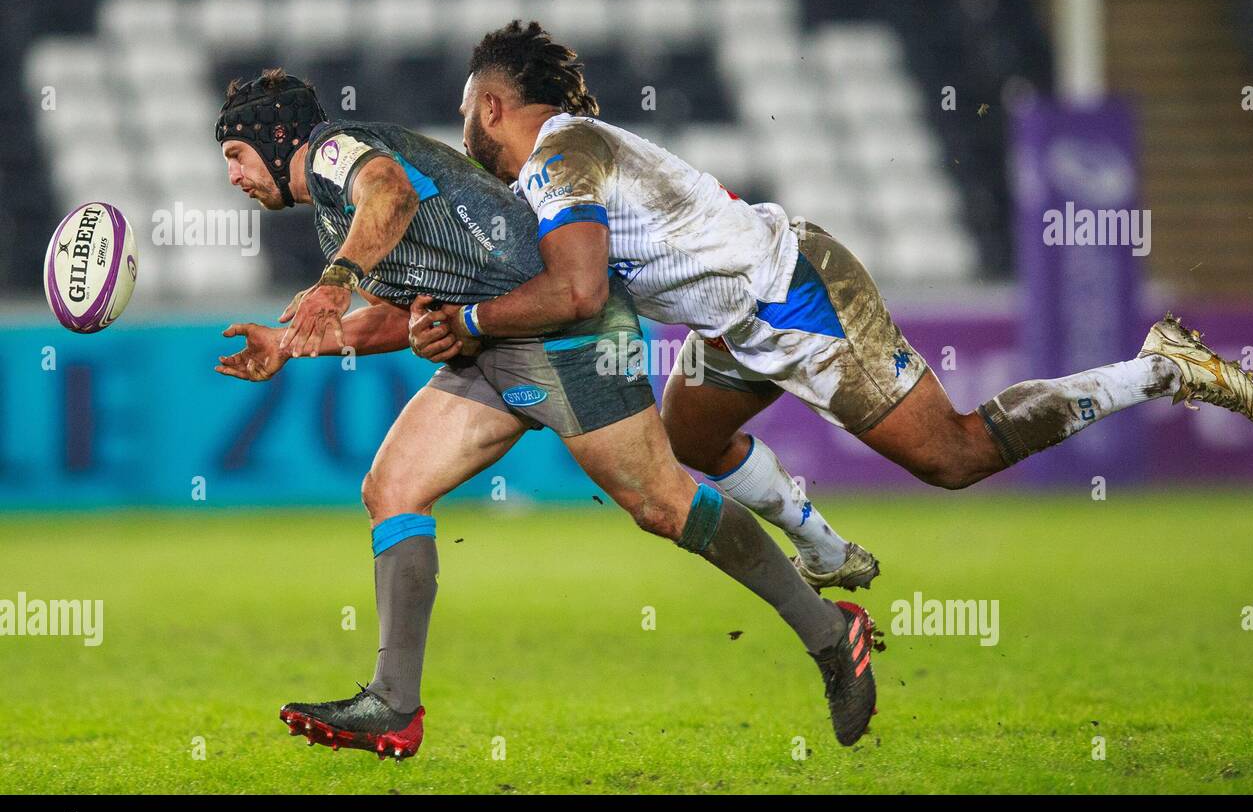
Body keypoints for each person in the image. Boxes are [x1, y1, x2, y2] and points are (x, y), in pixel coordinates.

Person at [409, 21, 1253, 597]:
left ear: (492, 105)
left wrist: (475, 328)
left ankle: (1156, 366)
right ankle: (826, 552)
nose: (463, 137)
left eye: (464, 117)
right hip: (733, 322)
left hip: (796, 292)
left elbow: (579, 293)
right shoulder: (551, 172)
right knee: (691, 440)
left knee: (955, 457)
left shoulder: (559, 157)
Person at [213, 69, 882, 757]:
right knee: (393, 489)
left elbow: (389, 191)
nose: (232, 175)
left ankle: (831, 633)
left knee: (662, 505)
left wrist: (334, 284)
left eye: (235, 154)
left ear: (276, 135)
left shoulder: (333, 151)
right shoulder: (337, 217)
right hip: (491, 340)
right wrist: (291, 344)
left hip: (565, 328)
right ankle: (393, 703)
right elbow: (394, 317)